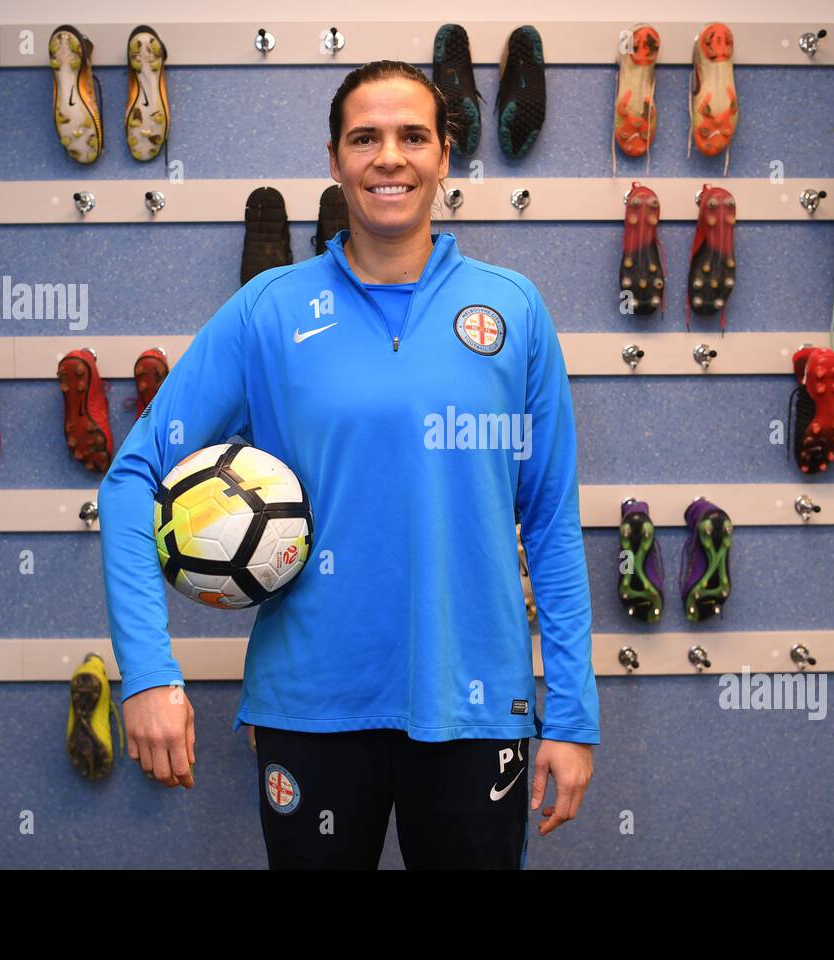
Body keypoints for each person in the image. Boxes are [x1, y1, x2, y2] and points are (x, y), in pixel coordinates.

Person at [97, 60, 599, 869]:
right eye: (365, 138)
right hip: (312, 709)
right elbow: (130, 480)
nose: (389, 157)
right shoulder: (270, 309)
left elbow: (548, 521)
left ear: (444, 156)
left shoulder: (513, 309)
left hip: (475, 710)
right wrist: (148, 674)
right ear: (334, 160)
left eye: (413, 136)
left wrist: (571, 714)